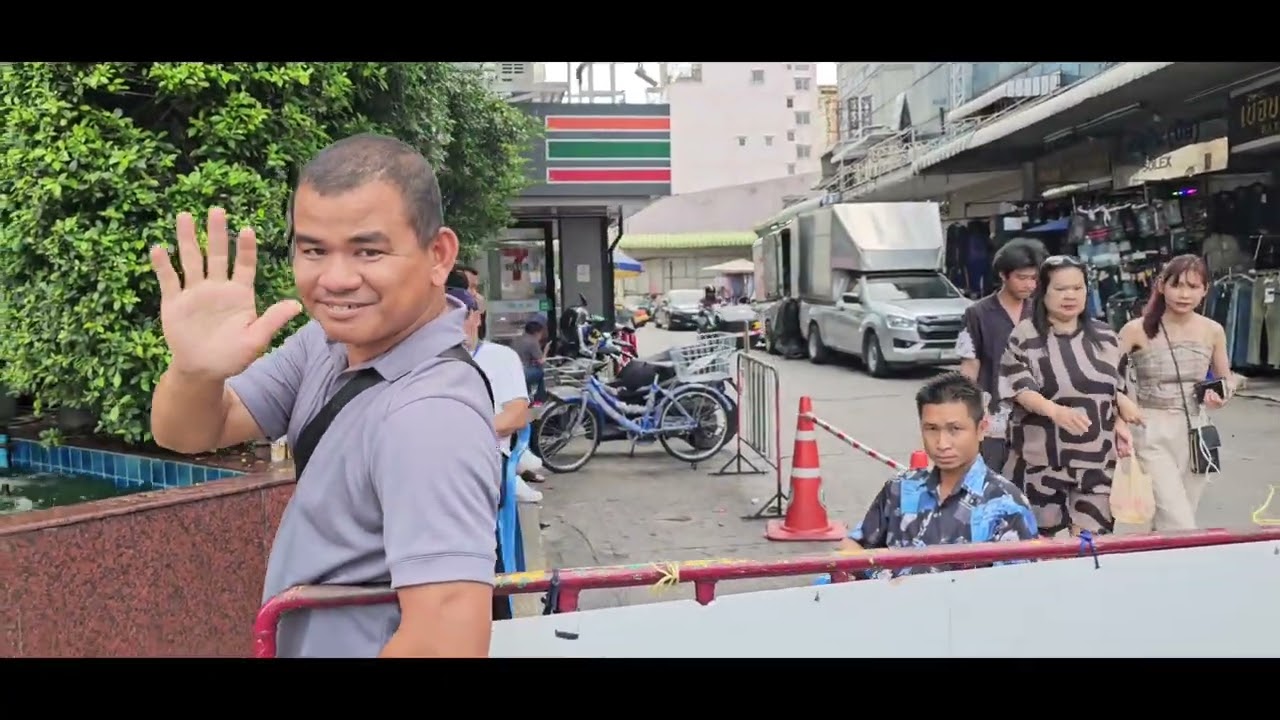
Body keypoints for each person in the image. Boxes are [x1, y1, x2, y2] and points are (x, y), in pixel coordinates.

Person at [148, 133, 501, 658]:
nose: (335, 279)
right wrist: (195, 370)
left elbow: (445, 639)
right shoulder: (326, 343)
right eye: (314, 250)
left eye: (368, 250)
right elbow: (192, 432)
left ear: (438, 254)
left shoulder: (431, 414)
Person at [998, 255, 1142, 538]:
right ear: (1044, 292)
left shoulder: (1106, 336)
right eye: (1061, 289)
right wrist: (1056, 412)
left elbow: (1117, 388)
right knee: (1039, 542)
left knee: (1090, 544)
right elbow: (1020, 389)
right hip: (1040, 459)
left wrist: (1122, 424)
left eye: (1077, 288)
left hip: (1096, 460)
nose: (1070, 296)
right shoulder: (1025, 335)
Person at [839, 372, 1038, 576]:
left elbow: (1014, 592)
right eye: (932, 429)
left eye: (955, 429)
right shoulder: (900, 489)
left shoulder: (1006, 505)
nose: (942, 444)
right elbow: (856, 547)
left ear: (981, 429)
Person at [1118, 254, 1233, 530]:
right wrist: (1121, 411)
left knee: (1180, 513)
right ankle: (1191, 570)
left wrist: (1220, 395)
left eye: (1193, 287)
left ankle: (1162, 567)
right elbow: (1107, 378)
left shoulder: (1212, 331)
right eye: (1177, 285)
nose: (1184, 294)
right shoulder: (1135, 330)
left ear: (1205, 290)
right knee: (1178, 520)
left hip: (1196, 430)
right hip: (1150, 427)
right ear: (1161, 286)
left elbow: (1224, 379)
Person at [449, 272, 545, 503]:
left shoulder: (500, 357)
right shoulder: (426, 360)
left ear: (477, 318)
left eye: (462, 315)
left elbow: (516, 417)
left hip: (483, 458)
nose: (454, 324)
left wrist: (457, 437)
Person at [957, 238, 1046, 470]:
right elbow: (970, 364)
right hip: (994, 411)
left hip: (1037, 411)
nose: (1029, 285)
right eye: (1021, 278)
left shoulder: (1042, 311)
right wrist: (964, 408)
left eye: (1034, 278)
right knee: (991, 477)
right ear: (1003, 276)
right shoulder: (978, 313)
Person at [510, 317, 548, 403]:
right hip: (523, 371)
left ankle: (528, 395)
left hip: (513, 370)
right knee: (540, 372)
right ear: (537, 332)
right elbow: (541, 361)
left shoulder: (518, 339)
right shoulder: (533, 341)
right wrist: (546, 350)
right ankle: (540, 398)